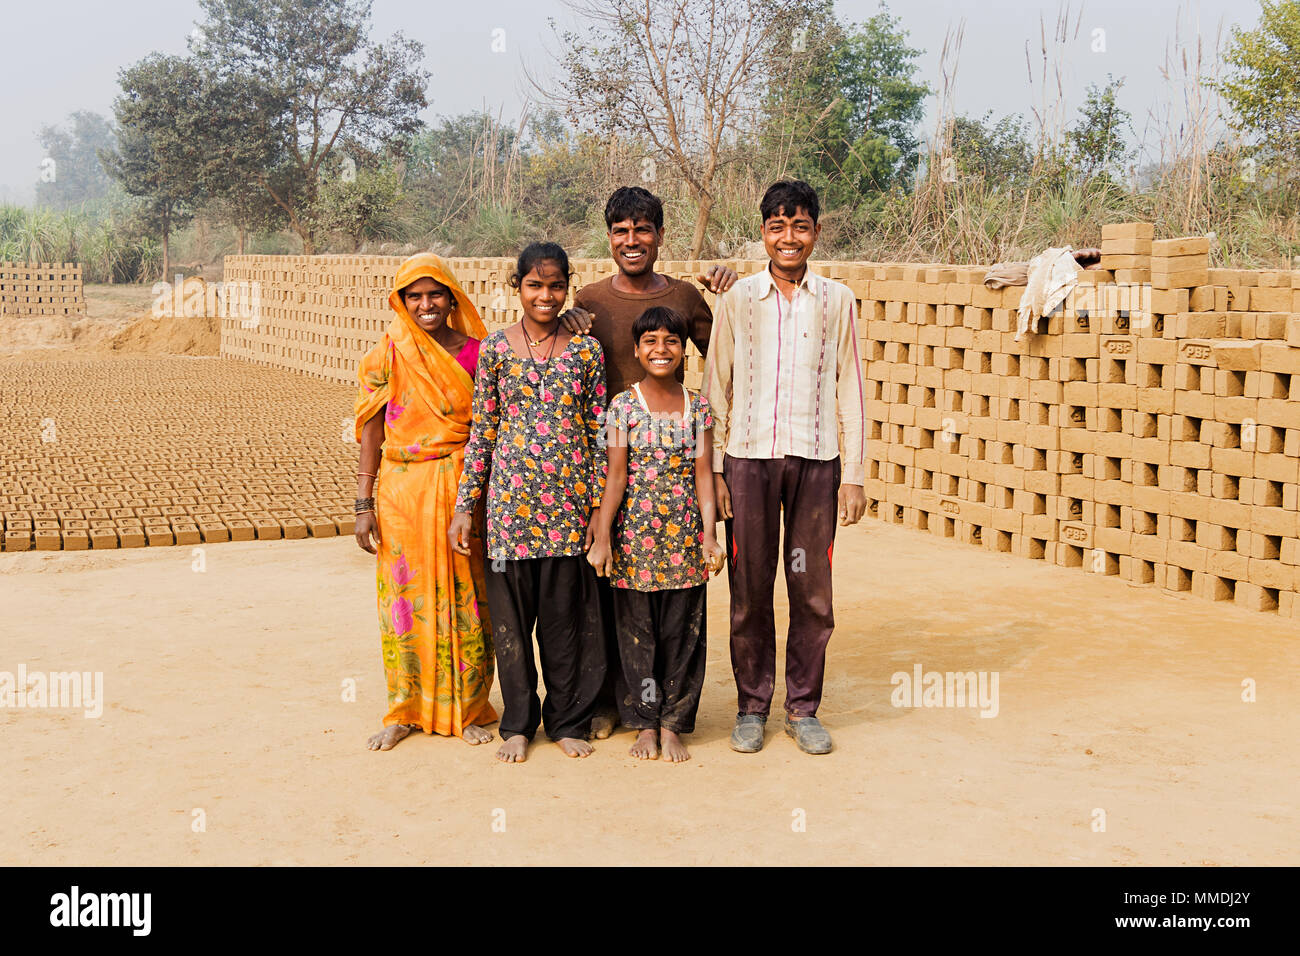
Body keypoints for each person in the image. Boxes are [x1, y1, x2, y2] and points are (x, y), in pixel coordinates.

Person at [559, 185, 737, 739]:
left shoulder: (684, 298)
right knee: (609, 591)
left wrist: (730, 293)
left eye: (642, 230)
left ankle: (664, 711)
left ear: (660, 235)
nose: (631, 241)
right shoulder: (587, 298)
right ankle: (616, 703)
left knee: (672, 606)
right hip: (604, 462)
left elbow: (729, 358)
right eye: (620, 231)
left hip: (675, 471)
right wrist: (564, 322)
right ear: (609, 238)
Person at [703, 180, 868, 756]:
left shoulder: (837, 300)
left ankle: (802, 706)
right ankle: (752, 707)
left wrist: (856, 475)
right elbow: (714, 385)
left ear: (816, 232)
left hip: (816, 462)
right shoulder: (738, 300)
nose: (789, 237)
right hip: (748, 459)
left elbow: (852, 387)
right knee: (749, 588)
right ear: (764, 233)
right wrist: (716, 471)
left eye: (800, 226)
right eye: (777, 226)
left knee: (811, 590)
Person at [448, 242, 608, 763]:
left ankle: (566, 720)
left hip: (567, 514)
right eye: (535, 285)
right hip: (508, 517)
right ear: (516, 286)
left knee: (563, 628)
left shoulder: (587, 351)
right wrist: (464, 507)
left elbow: (597, 433)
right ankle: (518, 723)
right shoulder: (495, 350)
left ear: (567, 286)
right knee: (512, 627)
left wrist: (597, 512)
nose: (546, 295)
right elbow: (484, 434)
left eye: (556, 285)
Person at [355, 252, 496, 751]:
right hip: (400, 494)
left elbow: (489, 430)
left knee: (469, 601)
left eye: (435, 293)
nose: (426, 304)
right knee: (404, 602)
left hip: (461, 493)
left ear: (452, 296)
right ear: (400, 302)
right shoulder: (386, 354)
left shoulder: (479, 354)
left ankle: (470, 709)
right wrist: (362, 502)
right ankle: (405, 709)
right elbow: (372, 427)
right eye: (413, 296)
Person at [586, 306, 725, 763]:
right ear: (636, 350)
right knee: (637, 634)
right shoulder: (623, 407)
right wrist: (603, 535)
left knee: (682, 634)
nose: (660, 349)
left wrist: (709, 535)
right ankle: (644, 723)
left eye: (670, 341)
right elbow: (616, 476)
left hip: (684, 539)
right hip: (635, 542)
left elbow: (704, 476)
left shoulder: (698, 406)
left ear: (684, 351)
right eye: (650, 341)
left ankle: (674, 725)